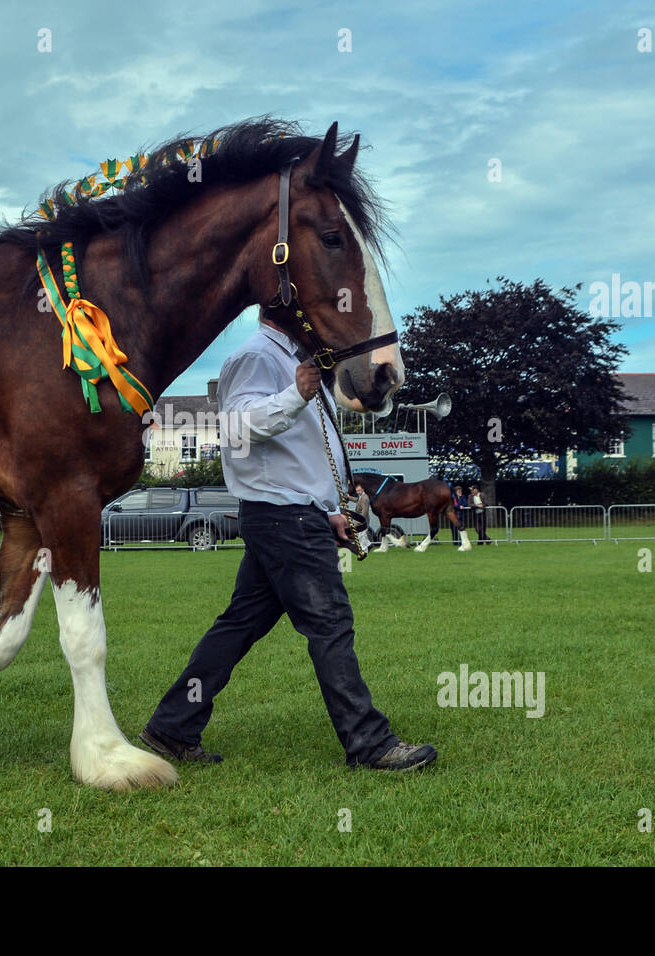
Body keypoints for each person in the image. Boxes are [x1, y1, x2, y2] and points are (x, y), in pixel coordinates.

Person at [139, 309, 437, 773]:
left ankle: (171, 727)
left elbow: (303, 454)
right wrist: (295, 394)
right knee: (330, 623)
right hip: (285, 518)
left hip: (291, 515)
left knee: (239, 625)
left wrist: (331, 511)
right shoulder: (256, 357)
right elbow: (236, 428)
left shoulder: (299, 362)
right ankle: (369, 743)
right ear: (288, 311)